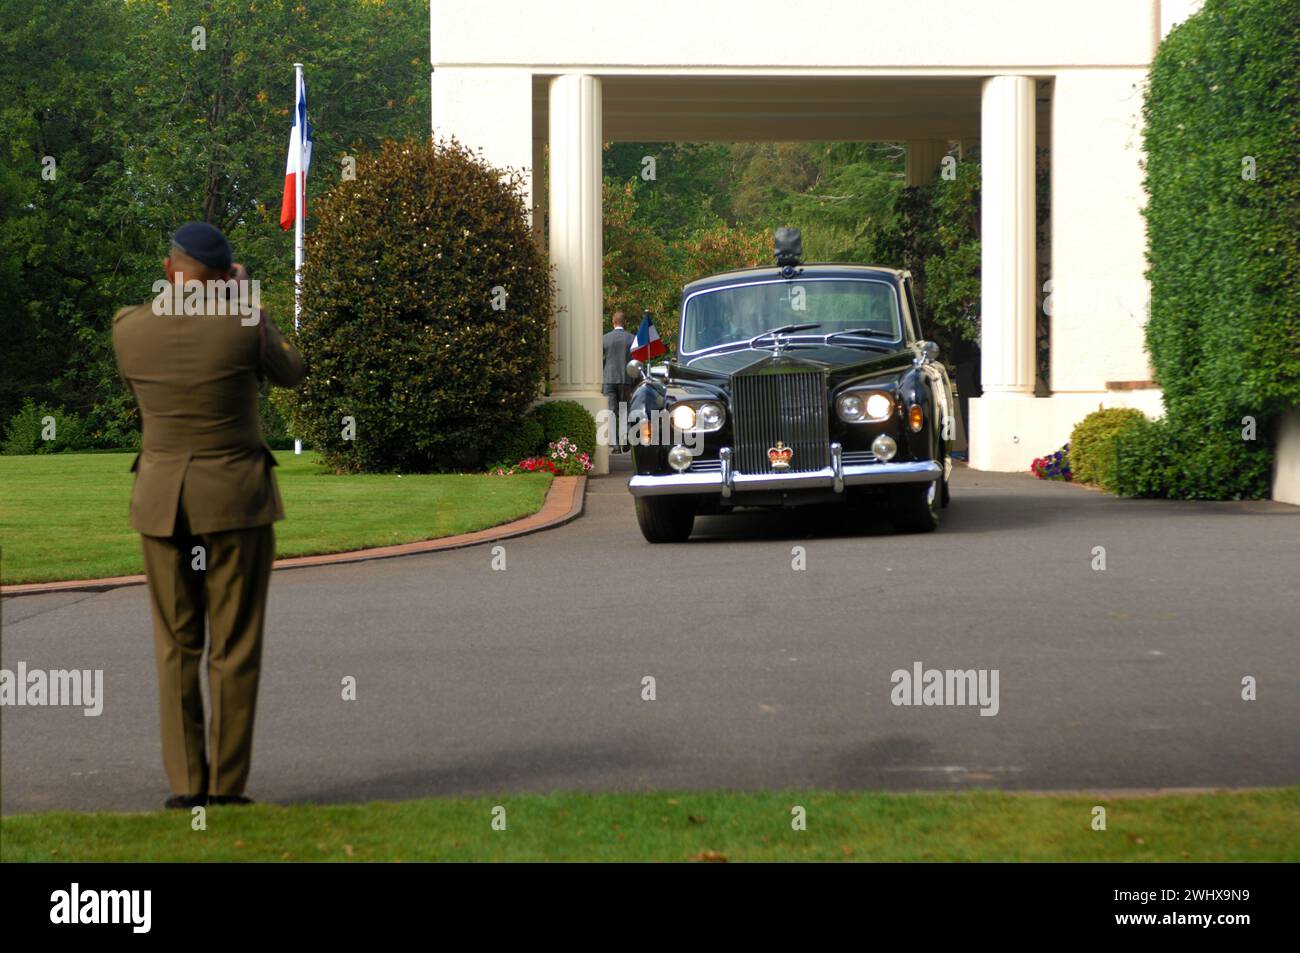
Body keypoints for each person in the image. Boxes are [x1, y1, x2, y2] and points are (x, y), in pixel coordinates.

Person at [112, 222, 305, 809]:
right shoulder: (244, 323)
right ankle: (225, 787)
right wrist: (245, 301)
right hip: (235, 501)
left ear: (170, 270)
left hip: (163, 502)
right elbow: (292, 372)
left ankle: (187, 787)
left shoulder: (129, 329)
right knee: (235, 645)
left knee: (177, 645)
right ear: (224, 276)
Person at [601, 309, 634, 452]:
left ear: (613, 322)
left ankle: (615, 445)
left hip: (609, 378)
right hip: (626, 379)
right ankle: (625, 439)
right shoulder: (632, 339)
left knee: (611, 411)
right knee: (625, 410)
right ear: (624, 322)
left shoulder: (605, 338)